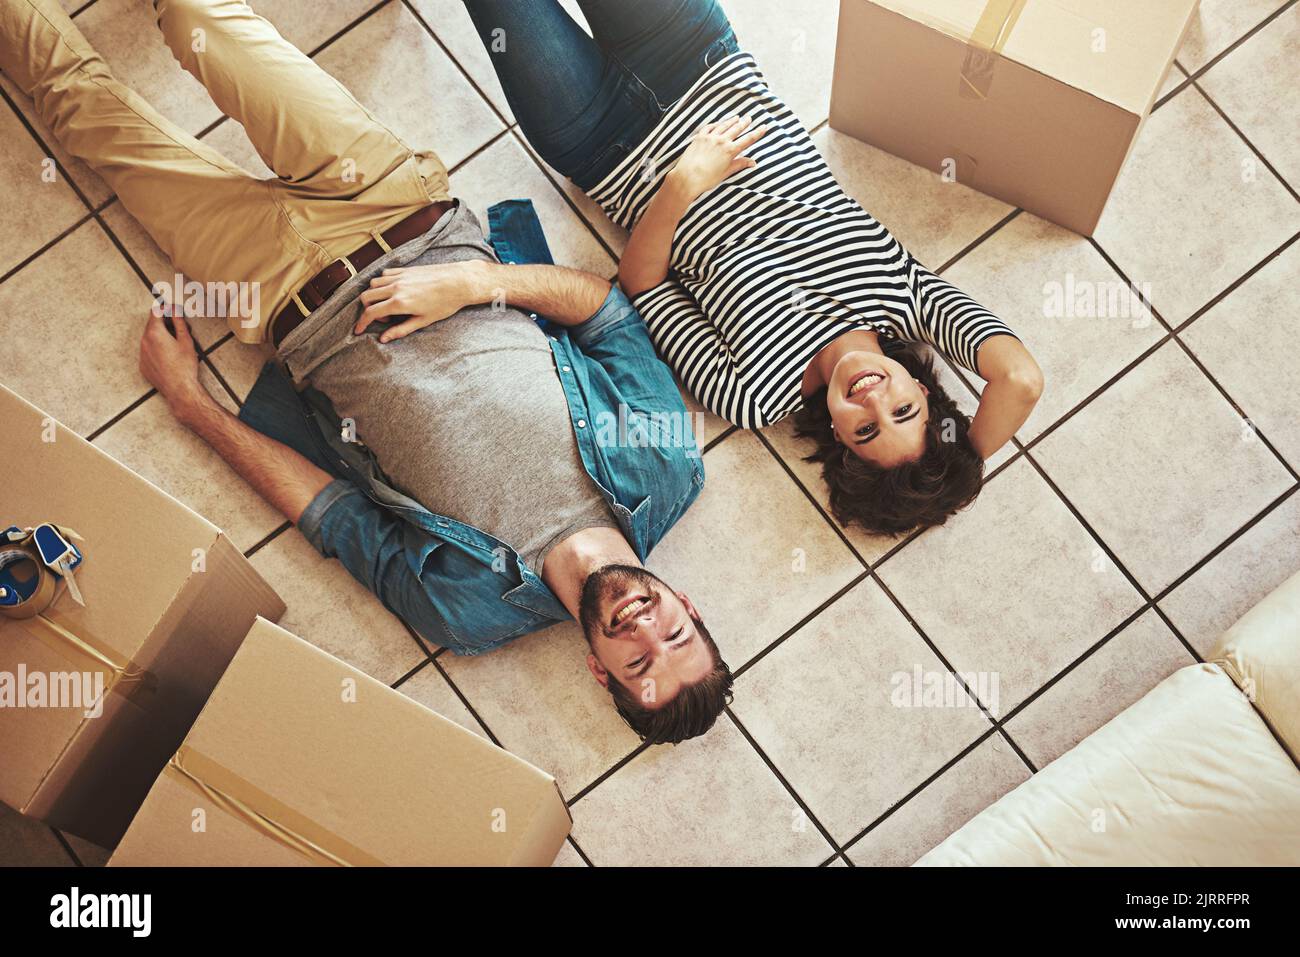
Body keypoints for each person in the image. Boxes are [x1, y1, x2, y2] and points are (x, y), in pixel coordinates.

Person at [0, 0, 733, 744]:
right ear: (693, 611)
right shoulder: (667, 467)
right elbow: (605, 309)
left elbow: (329, 514)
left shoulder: (472, 612)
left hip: (274, 287)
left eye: (639, 663)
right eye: (677, 637)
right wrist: (478, 287)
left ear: (600, 672)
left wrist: (191, 405)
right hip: (395, 206)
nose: (647, 631)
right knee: (201, 21)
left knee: (78, 112)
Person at [463, 0, 1045, 535]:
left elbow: (643, 286)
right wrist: (959, 464)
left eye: (866, 429)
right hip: (694, 53)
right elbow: (1019, 380)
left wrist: (683, 184)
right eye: (903, 411)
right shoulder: (911, 301)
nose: (872, 400)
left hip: (597, 138)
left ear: (839, 439)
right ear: (922, 388)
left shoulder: (754, 397)